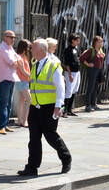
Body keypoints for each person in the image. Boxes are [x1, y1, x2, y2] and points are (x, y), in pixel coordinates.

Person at [17, 40, 72, 177]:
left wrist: (59, 106)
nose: (31, 51)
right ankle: (32, 167)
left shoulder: (53, 66)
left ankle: (66, 158)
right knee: (34, 138)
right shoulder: (35, 65)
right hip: (35, 107)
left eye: (33, 49)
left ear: (41, 50)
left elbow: (60, 87)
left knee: (51, 136)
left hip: (49, 108)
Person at [0, 30, 20, 134]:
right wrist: (17, 62)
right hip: (4, 79)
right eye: (11, 37)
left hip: (11, 78)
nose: (13, 39)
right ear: (5, 37)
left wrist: (17, 62)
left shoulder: (9, 48)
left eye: (14, 37)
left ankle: (5, 124)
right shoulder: (2, 48)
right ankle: (1, 126)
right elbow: (12, 63)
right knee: (4, 103)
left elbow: (18, 59)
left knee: (9, 103)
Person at [80, 35, 105, 113]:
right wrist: (88, 64)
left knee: (95, 88)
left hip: (98, 70)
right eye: (99, 42)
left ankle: (93, 104)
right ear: (95, 42)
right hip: (92, 70)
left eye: (101, 42)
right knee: (90, 87)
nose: (100, 43)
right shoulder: (91, 50)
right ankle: (88, 106)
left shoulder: (100, 50)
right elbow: (81, 58)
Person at [13, 39, 33, 127]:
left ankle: (20, 120)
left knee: (21, 101)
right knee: (29, 100)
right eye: (28, 47)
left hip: (23, 80)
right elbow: (23, 71)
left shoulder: (21, 56)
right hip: (22, 81)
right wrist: (32, 77)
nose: (29, 49)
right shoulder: (20, 57)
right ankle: (25, 121)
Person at [61, 33, 82, 116]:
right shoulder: (68, 50)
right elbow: (67, 63)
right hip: (71, 72)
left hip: (77, 72)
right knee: (69, 91)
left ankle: (69, 109)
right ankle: (64, 110)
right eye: (77, 40)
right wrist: (69, 74)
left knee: (74, 90)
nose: (78, 42)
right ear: (72, 40)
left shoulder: (76, 49)